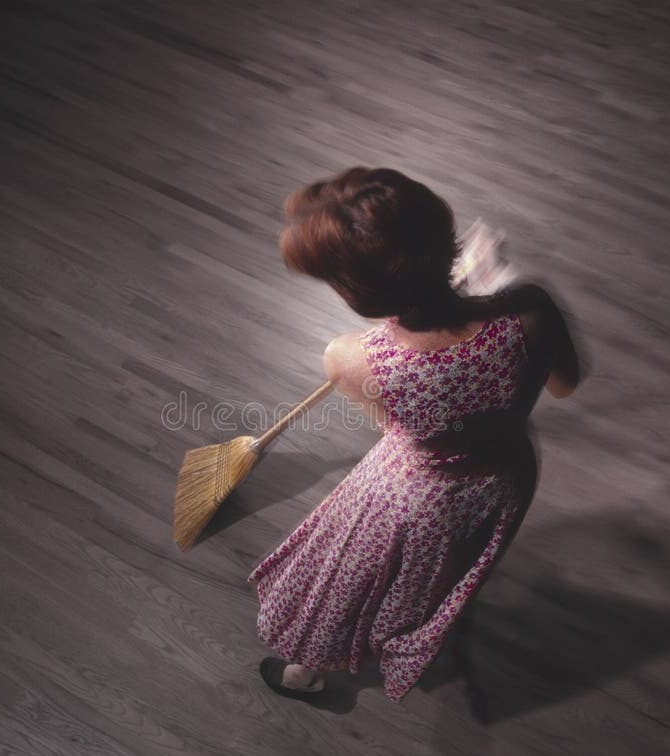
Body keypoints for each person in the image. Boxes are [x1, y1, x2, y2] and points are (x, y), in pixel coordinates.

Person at [246, 166, 582, 703]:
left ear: (356, 292)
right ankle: (422, 623)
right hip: (504, 477)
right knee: (442, 572)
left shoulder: (351, 358)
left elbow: (402, 431)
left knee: (349, 579)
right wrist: (497, 293)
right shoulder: (533, 310)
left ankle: (305, 671)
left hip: (411, 494)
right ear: (445, 239)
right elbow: (565, 383)